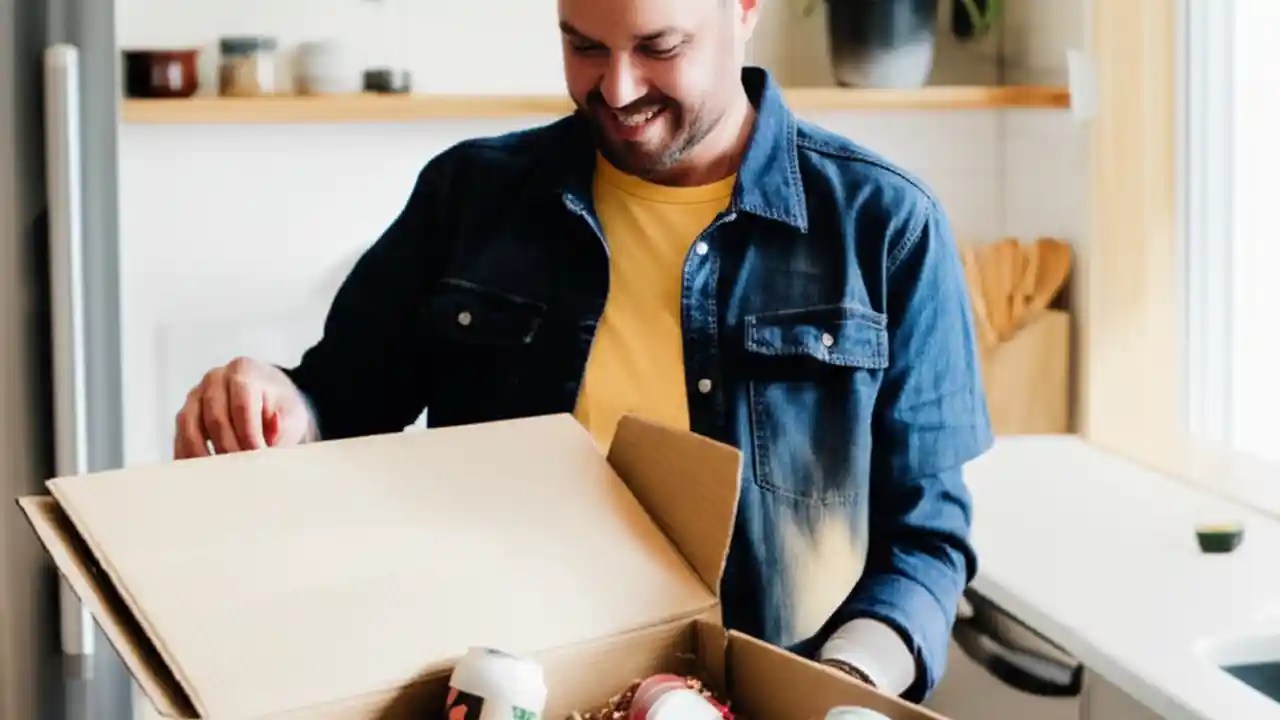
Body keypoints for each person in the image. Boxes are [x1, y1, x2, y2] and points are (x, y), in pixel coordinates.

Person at [172, 0, 992, 703]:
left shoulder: (885, 228)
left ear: (745, 9)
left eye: (659, 48)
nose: (618, 89)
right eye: (584, 45)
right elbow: (340, 404)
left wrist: (838, 686)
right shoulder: (469, 197)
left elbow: (925, 540)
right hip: (498, 696)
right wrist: (275, 399)